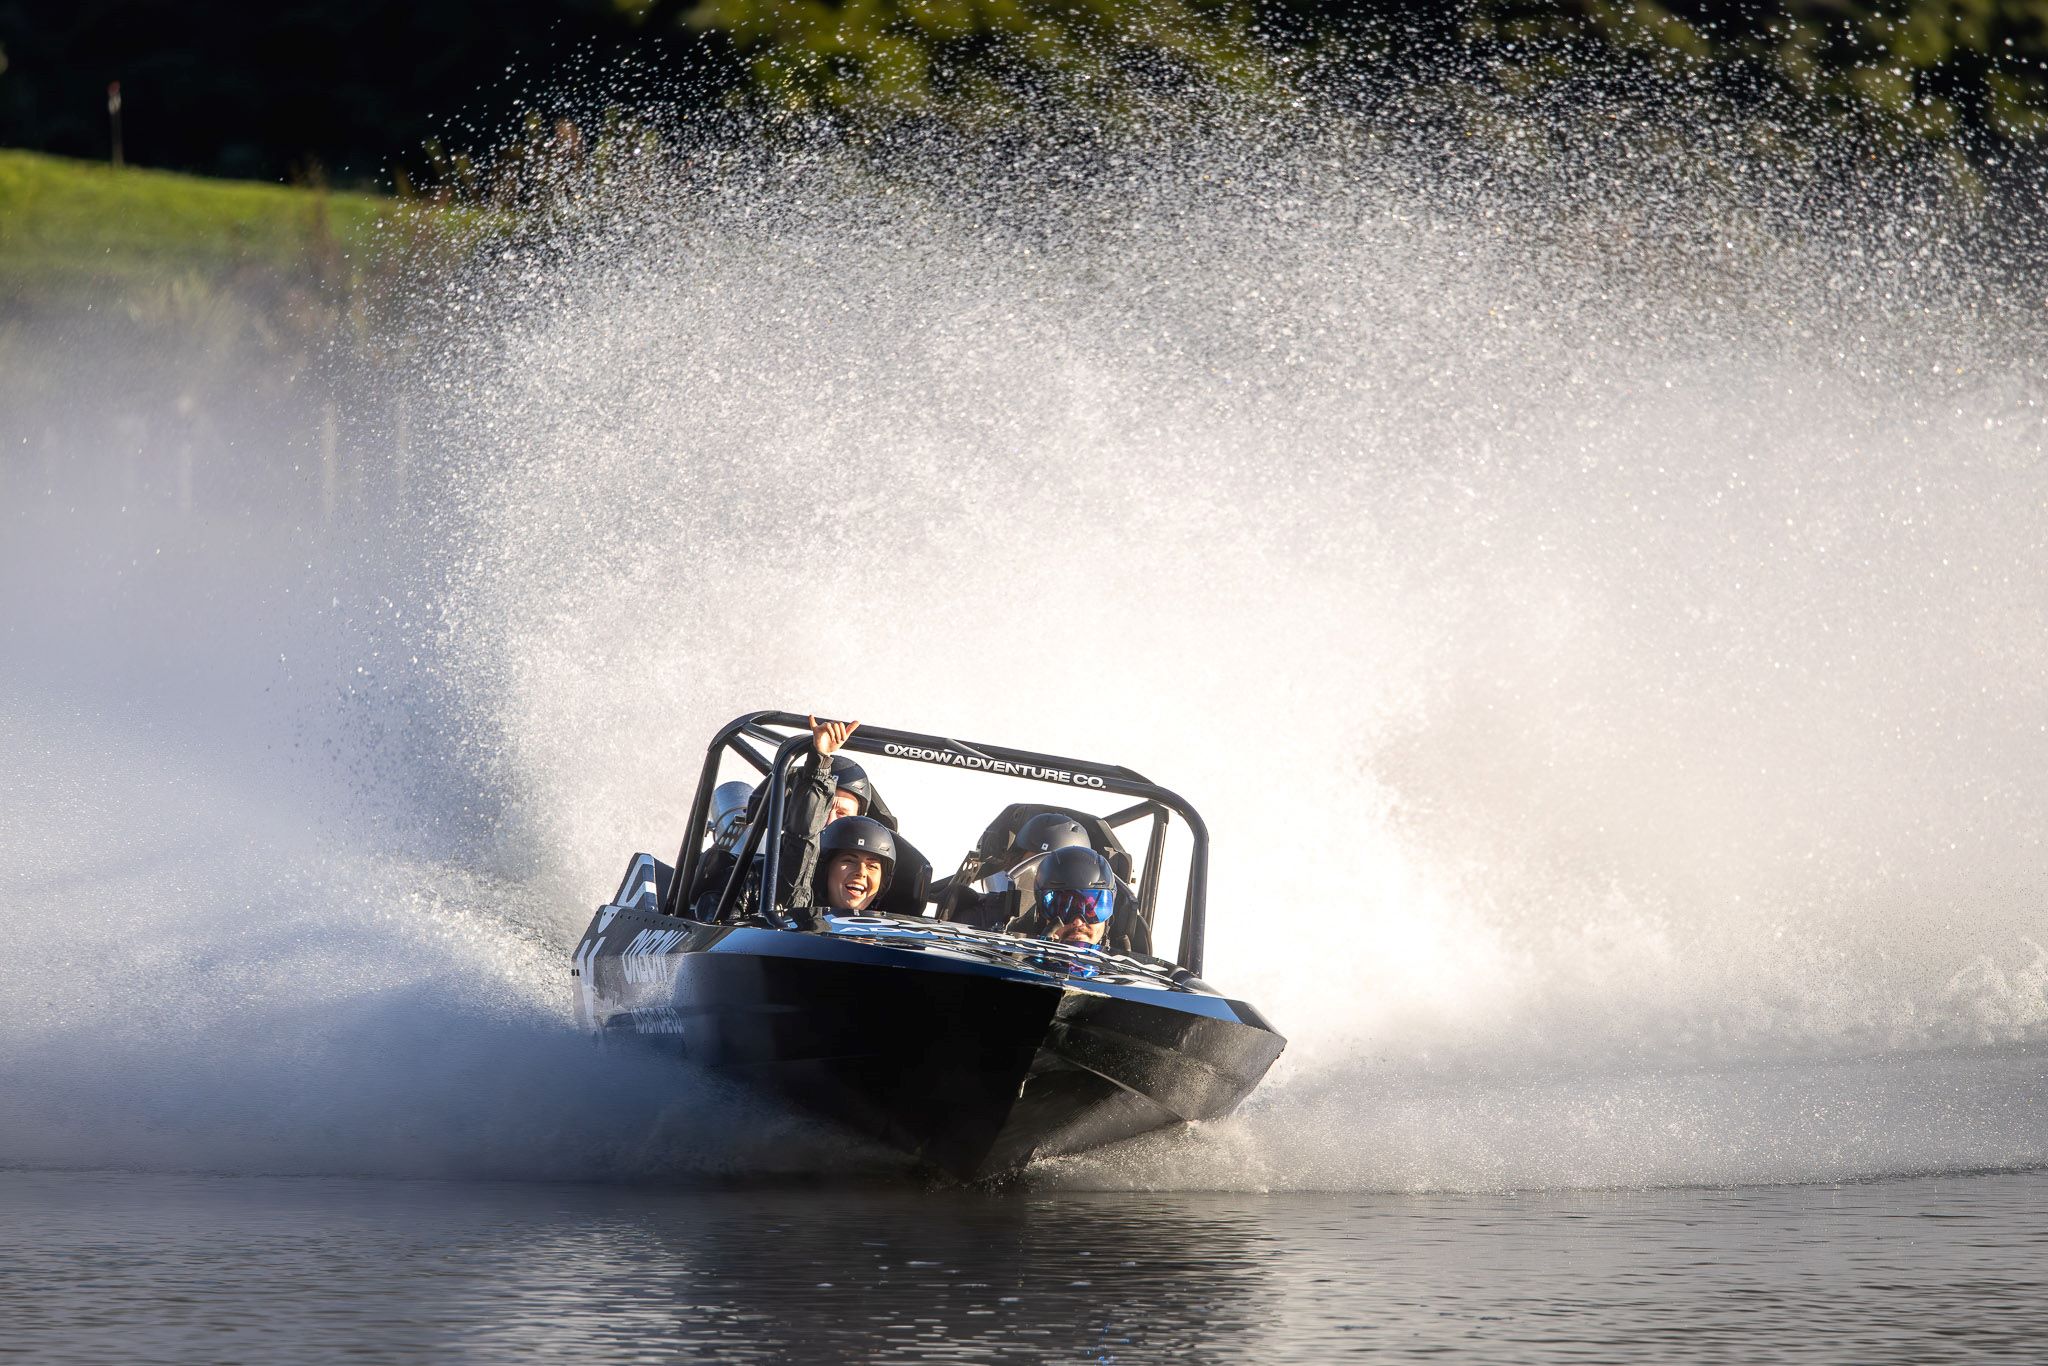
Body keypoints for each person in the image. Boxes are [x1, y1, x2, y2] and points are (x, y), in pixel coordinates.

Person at [1005, 845, 1119, 948]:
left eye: (1091, 909)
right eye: (1064, 909)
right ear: (1040, 913)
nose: (1077, 923)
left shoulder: (1125, 967)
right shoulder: (1014, 959)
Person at [804, 815, 897, 915]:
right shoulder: (796, 921)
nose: (861, 872)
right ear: (824, 869)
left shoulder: (893, 929)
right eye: (849, 861)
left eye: (872, 866)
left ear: (883, 883)